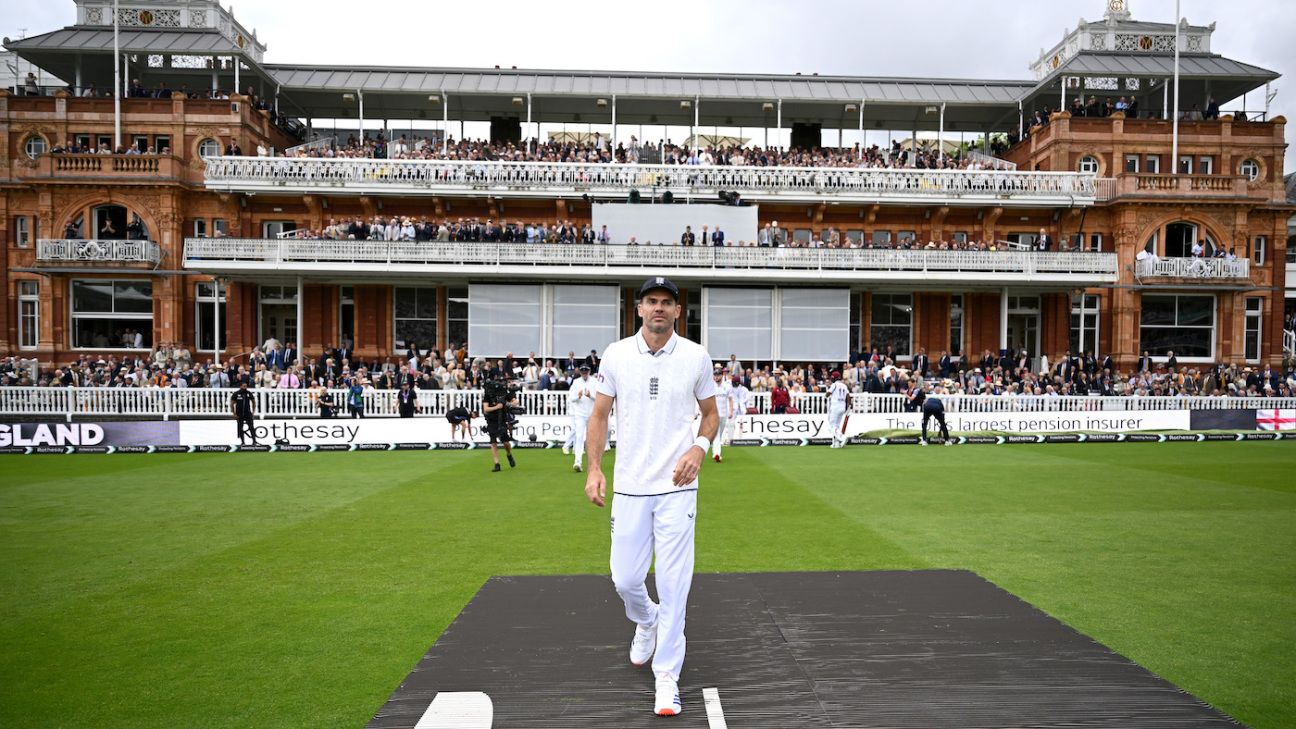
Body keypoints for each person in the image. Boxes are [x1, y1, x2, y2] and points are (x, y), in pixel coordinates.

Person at [584, 275, 719, 718]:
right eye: (651, 302)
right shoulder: (617, 354)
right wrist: (595, 468)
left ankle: (667, 678)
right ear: (639, 309)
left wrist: (699, 449)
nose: (659, 308)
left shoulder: (696, 356)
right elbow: (600, 415)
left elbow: (711, 414)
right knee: (625, 578)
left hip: (679, 486)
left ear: (678, 311)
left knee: (675, 585)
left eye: (667, 302)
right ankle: (645, 619)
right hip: (630, 484)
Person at [566, 364, 596, 471]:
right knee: (579, 436)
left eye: (586, 372)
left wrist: (590, 395)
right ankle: (577, 462)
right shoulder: (576, 382)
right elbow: (571, 398)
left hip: (592, 414)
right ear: (580, 372)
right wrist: (577, 397)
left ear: (589, 371)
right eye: (582, 372)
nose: (584, 373)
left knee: (591, 439)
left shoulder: (595, 381)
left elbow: (598, 398)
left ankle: (593, 463)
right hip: (580, 414)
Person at [482, 384, 518, 472]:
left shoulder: (504, 393)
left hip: (501, 420)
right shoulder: (487, 396)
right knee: (493, 442)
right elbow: (486, 409)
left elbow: (515, 402)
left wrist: (506, 404)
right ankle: (497, 464)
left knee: (506, 442)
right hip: (491, 420)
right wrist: (497, 407)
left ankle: (509, 454)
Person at [909, 380, 952, 446]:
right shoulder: (938, 401)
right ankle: (947, 440)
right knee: (942, 423)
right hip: (936, 408)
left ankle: (924, 441)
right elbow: (943, 414)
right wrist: (942, 422)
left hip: (928, 407)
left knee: (924, 424)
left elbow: (924, 406)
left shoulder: (927, 399)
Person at [710, 369, 731, 462]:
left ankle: (715, 451)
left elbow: (730, 399)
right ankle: (717, 454)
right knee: (717, 434)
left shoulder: (727, 386)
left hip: (724, 413)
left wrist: (731, 411)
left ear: (722, 376)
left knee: (720, 433)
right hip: (714, 413)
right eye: (715, 375)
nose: (716, 377)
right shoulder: (710, 386)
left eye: (718, 375)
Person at [724, 375, 750, 451]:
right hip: (732, 408)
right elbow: (726, 396)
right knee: (731, 423)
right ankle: (730, 439)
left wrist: (744, 405)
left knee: (742, 424)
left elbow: (747, 398)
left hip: (741, 408)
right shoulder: (729, 387)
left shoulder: (744, 389)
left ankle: (741, 439)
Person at [229, 380, 258, 445]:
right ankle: (242, 442)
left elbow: (253, 402)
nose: (245, 387)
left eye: (246, 386)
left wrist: (253, 411)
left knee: (251, 427)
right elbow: (232, 404)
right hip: (239, 414)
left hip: (248, 413)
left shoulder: (248, 393)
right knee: (240, 428)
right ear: (240, 386)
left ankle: (254, 441)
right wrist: (234, 413)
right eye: (244, 386)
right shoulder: (236, 394)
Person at [827, 371, 850, 448]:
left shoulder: (834, 385)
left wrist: (826, 393)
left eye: (832, 378)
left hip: (835, 407)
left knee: (831, 426)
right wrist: (848, 406)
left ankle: (842, 437)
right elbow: (848, 396)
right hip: (842, 407)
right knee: (836, 426)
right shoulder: (844, 385)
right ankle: (835, 444)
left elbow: (828, 394)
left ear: (834, 378)